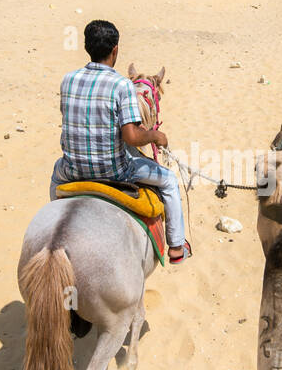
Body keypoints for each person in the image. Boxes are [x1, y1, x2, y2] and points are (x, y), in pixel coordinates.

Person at [48, 20, 191, 263]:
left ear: (86, 47)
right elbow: (132, 137)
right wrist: (155, 136)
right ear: (115, 49)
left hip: (70, 170)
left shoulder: (67, 80)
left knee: (54, 177)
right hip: (116, 171)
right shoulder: (122, 85)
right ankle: (177, 247)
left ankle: (55, 222)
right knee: (168, 181)